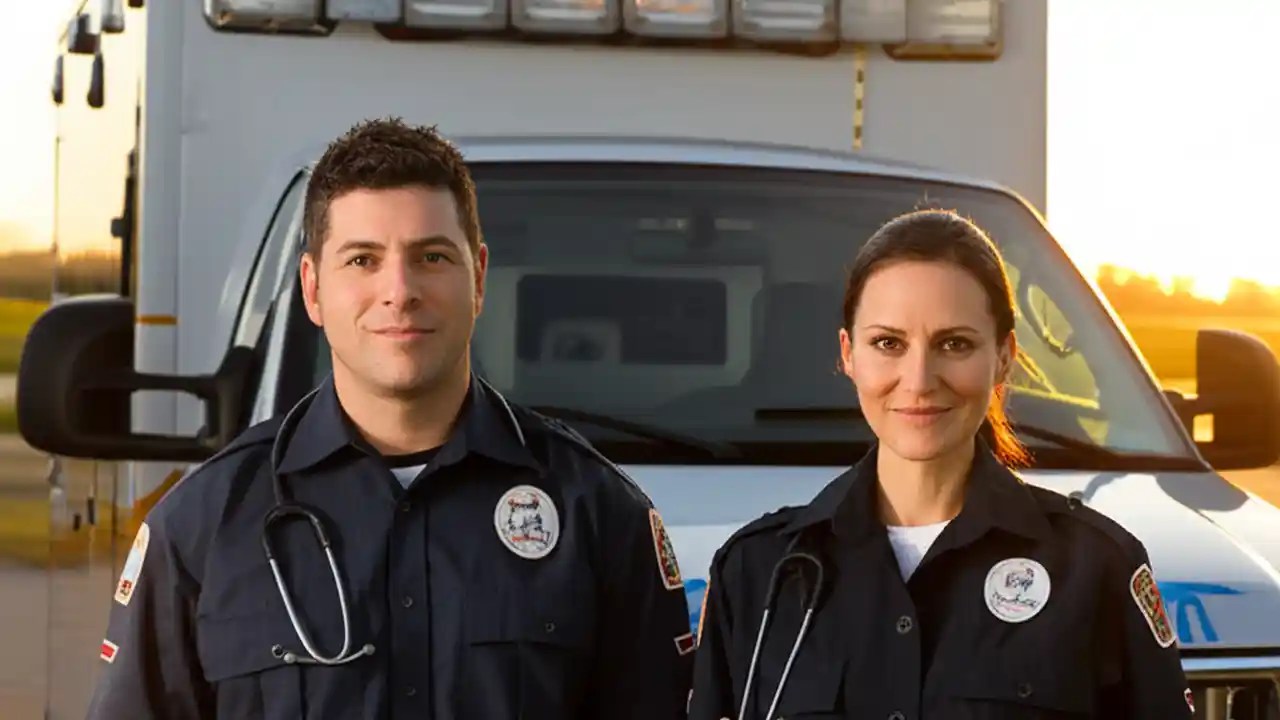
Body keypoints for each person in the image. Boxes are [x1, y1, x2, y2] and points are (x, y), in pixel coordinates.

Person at [86, 118, 695, 719]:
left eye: (431, 257)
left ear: (478, 278)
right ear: (313, 289)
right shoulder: (203, 525)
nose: (399, 290)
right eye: (362, 260)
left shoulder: (600, 514)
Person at [688, 210, 1194, 720]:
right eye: (889, 343)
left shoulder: (1096, 568)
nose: (919, 379)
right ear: (849, 354)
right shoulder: (758, 573)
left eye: (955, 344)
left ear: (1003, 356)